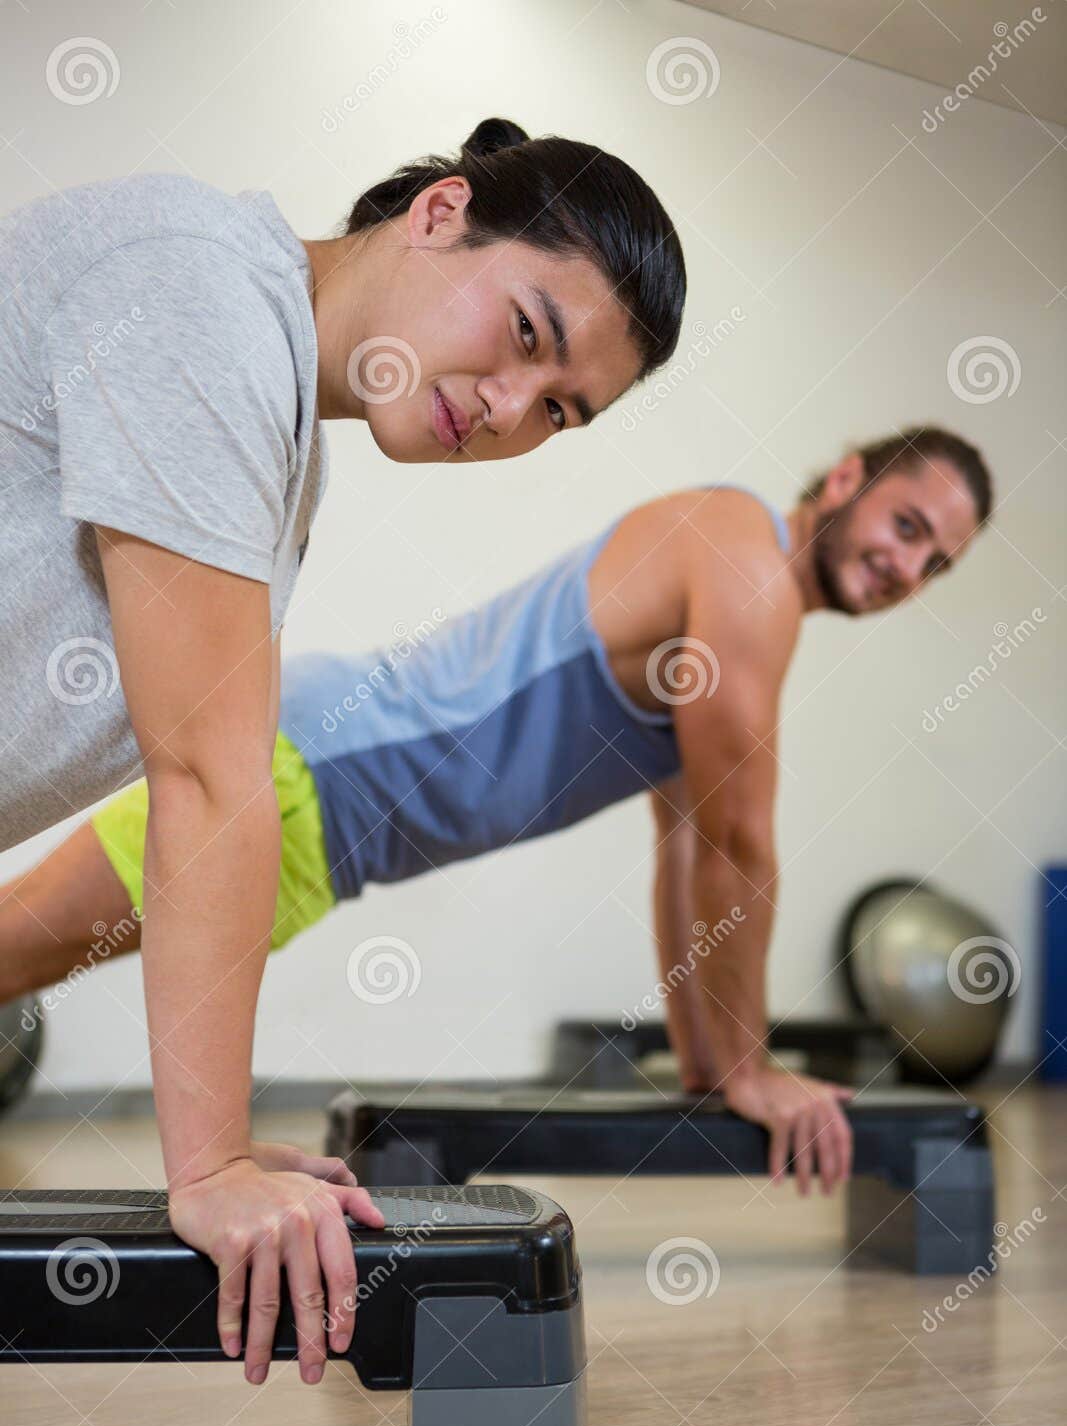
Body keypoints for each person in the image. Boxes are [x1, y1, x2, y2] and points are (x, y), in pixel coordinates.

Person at [0, 118, 686, 1385]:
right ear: (439, 212)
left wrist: (229, 1144)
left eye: (559, 412)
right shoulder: (198, 288)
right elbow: (207, 776)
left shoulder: (285, 443)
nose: (509, 411)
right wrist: (209, 1168)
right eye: (527, 336)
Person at [3, 425, 991, 1203]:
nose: (909, 568)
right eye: (906, 526)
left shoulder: (738, 587)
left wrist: (709, 1060)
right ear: (846, 477)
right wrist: (750, 1068)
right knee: (16, 950)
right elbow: (740, 847)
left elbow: (686, 843)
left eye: (936, 563)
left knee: (26, 953)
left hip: (333, 819)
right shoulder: (746, 564)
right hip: (311, 775)